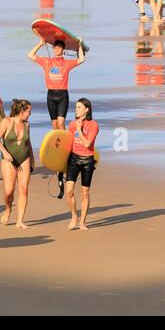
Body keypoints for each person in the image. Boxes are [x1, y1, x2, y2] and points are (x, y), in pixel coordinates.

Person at [27, 36, 84, 132]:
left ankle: (65, 144)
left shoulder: (67, 63)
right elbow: (30, 55)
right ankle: (57, 146)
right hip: (51, 95)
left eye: (59, 48)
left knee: (61, 123)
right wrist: (40, 44)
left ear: (63, 49)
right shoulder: (46, 62)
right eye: (55, 48)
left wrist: (79, 45)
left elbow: (81, 59)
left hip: (62, 95)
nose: (56, 50)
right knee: (54, 125)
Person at [0, 99, 35, 228]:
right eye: (29, 111)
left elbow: (28, 143)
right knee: (9, 191)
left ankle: (20, 221)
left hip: (24, 158)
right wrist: (4, 152)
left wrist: (32, 159)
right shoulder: (6, 121)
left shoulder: (27, 125)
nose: (30, 114)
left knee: (23, 189)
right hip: (9, 159)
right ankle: (8, 209)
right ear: (22, 111)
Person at [65, 98, 99, 231]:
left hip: (87, 160)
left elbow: (87, 144)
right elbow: (66, 144)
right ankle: (74, 216)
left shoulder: (93, 125)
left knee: (84, 193)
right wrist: (59, 165)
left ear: (87, 109)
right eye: (76, 107)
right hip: (73, 159)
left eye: (79, 107)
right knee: (69, 191)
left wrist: (80, 129)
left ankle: (82, 222)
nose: (76, 109)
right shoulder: (72, 124)